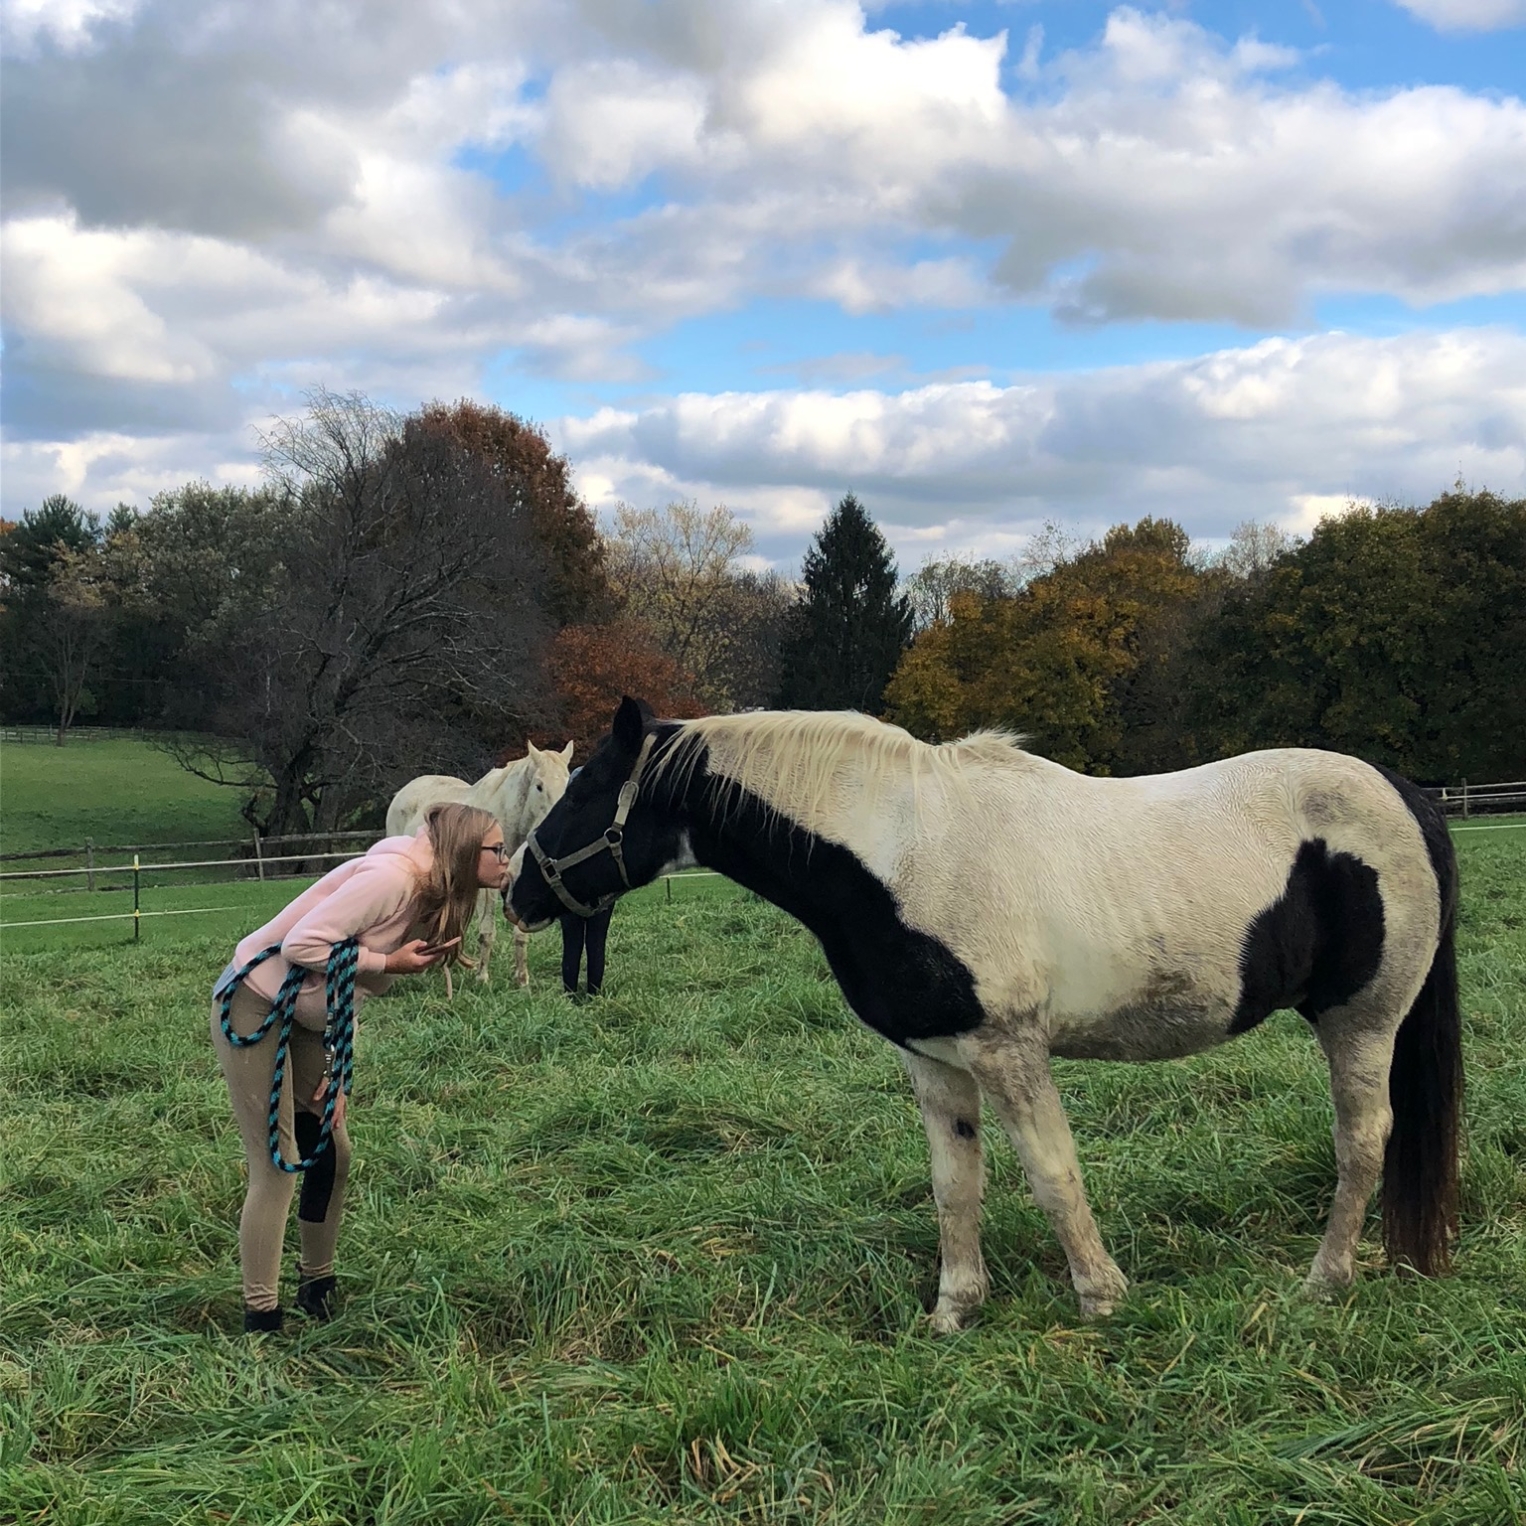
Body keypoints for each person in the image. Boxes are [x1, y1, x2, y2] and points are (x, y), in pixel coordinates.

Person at [211, 802, 509, 1332]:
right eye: (498, 850)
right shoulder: (393, 880)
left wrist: (337, 1073)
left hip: (308, 1011)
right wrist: (387, 963)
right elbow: (304, 944)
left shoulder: (428, 889)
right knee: (278, 1162)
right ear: (467, 852)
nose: (506, 860)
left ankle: (317, 1285)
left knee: (332, 1149)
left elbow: (345, 982)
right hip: (254, 1001)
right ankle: (261, 1316)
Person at [556, 766, 615, 998]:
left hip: (570, 890)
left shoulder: (563, 823)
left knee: (571, 943)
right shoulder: (609, 820)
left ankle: (569, 995)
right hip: (601, 890)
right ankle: (593, 994)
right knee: (596, 941)